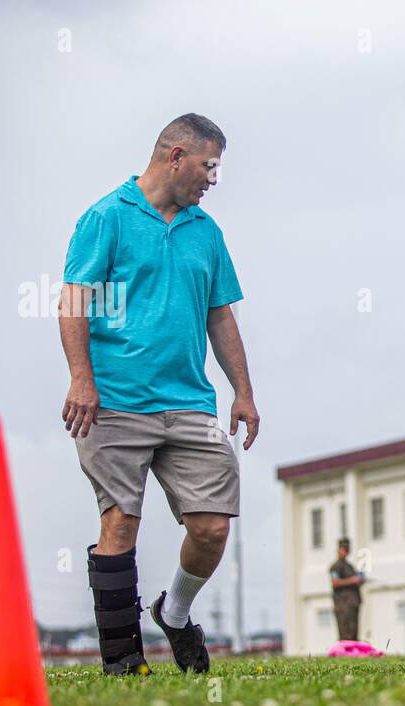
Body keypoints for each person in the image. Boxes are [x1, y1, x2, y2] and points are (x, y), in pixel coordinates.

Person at [60, 114, 258, 676]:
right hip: (115, 401)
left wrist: (242, 391)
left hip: (189, 402)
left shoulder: (206, 232)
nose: (214, 179)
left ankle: (175, 611)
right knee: (121, 522)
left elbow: (221, 317)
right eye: (209, 166)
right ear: (175, 156)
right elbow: (74, 302)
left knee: (212, 525)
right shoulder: (106, 219)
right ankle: (124, 660)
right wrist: (82, 378)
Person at [330, 538, 365, 643]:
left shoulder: (350, 566)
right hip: (343, 605)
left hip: (353, 603)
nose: (346, 551)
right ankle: (344, 654)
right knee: (345, 633)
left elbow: (357, 581)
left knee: (354, 632)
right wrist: (352, 580)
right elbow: (335, 582)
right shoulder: (335, 567)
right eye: (344, 549)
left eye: (347, 549)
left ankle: (354, 654)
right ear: (338, 550)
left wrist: (360, 580)